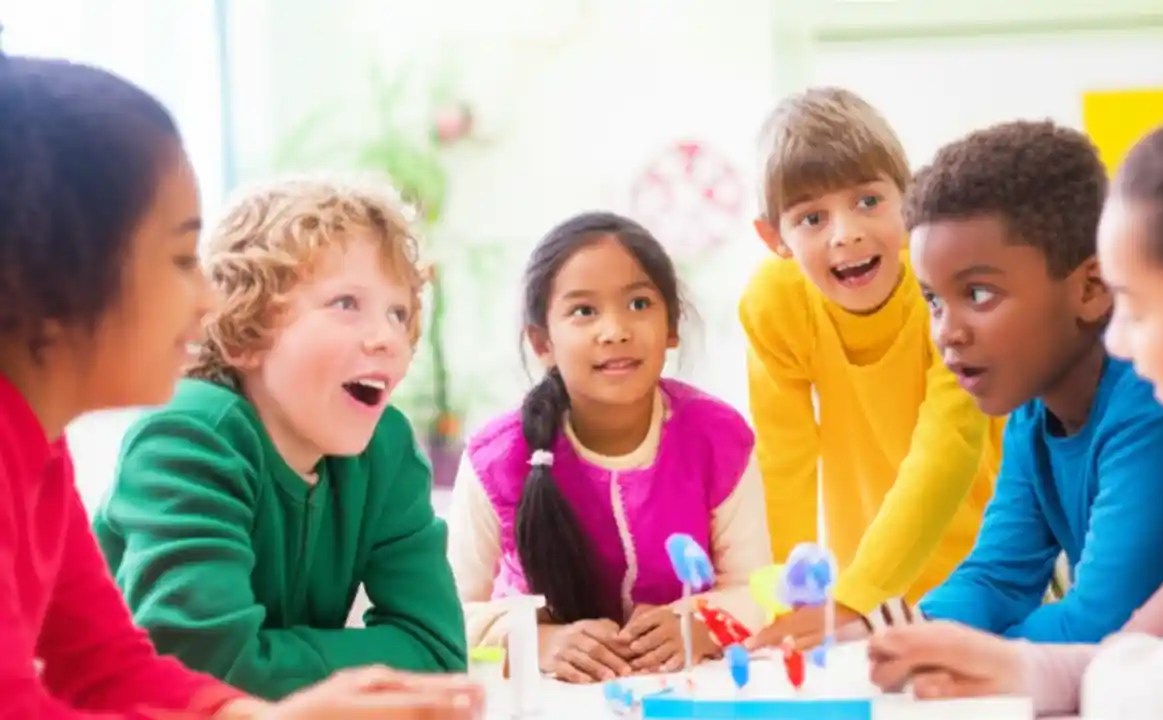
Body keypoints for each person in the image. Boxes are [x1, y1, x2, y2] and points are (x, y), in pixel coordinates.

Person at [0, 54, 479, 718]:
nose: (207, 300)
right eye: (178, 259)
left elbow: (111, 669)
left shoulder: (38, 452)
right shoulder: (183, 432)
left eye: (399, 313)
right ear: (59, 275)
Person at [868, 91, 1163, 719]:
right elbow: (1135, 640)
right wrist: (924, 645)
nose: (1118, 338)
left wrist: (977, 662)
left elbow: (1155, 682)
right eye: (932, 300)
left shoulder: (1156, 410)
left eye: (1136, 308)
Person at [93, 176, 469, 700]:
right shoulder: (187, 433)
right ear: (246, 331)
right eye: (345, 303)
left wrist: (263, 656)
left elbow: (438, 652)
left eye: (398, 312)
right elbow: (201, 667)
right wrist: (360, 671)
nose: (388, 337)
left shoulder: (386, 449)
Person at [908, 119, 1163, 643]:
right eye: (933, 300)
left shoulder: (1159, 402)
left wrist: (961, 656)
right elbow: (997, 576)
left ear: (1091, 288)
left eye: (977, 295)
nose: (946, 333)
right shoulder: (1032, 411)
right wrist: (913, 634)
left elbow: (1102, 623)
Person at [446, 211, 772, 683]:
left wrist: (702, 625)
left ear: (672, 326)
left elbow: (753, 588)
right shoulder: (495, 459)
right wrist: (535, 641)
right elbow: (447, 614)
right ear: (542, 342)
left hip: (687, 693)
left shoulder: (718, 439)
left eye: (639, 303)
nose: (615, 329)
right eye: (583, 311)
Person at [738, 87, 1003, 650]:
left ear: (909, 200)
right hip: (865, 600)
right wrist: (791, 603)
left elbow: (948, 443)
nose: (845, 233)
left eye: (868, 202)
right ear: (773, 238)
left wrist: (855, 596)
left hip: (985, 580)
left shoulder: (944, 284)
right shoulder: (776, 304)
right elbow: (783, 464)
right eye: (811, 217)